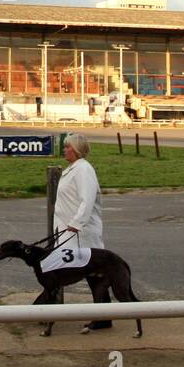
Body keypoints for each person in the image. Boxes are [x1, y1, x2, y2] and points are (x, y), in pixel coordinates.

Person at [54, 133, 112, 330]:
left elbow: (86, 200)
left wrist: (76, 223)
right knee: (92, 274)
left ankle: (104, 316)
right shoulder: (74, 169)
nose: (64, 149)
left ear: (77, 149)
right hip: (70, 232)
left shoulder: (84, 170)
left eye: (68, 146)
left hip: (80, 232)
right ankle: (104, 316)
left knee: (94, 274)